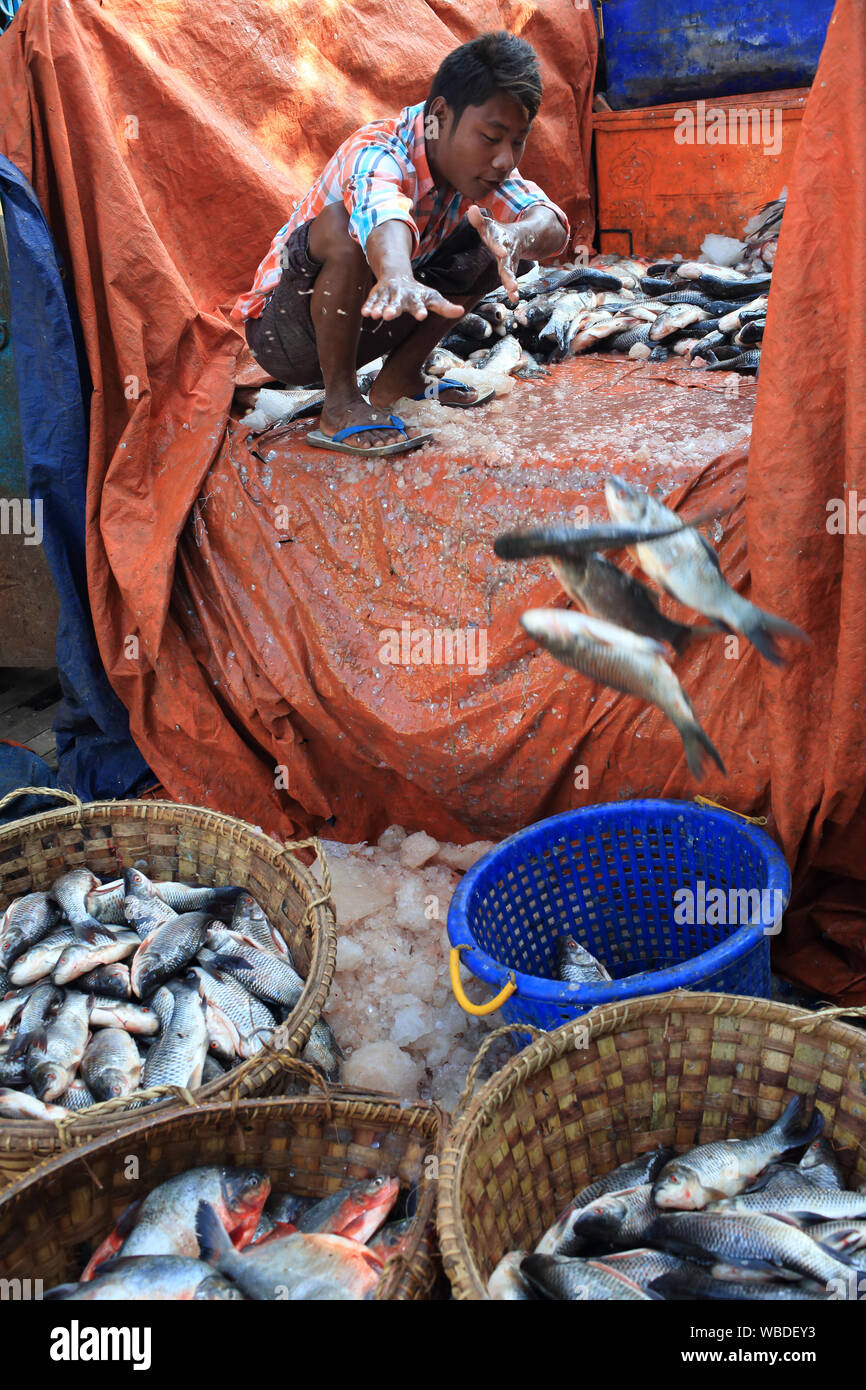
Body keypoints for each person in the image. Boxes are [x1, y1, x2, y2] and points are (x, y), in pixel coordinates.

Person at [232, 30, 570, 456]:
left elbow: (549, 220)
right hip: (287, 335)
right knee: (342, 224)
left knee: (493, 238)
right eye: (491, 137)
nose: (505, 159)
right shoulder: (379, 148)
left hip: (369, 315)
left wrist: (515, 235)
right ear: (441, 115)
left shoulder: (482, 170)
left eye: (517, 141)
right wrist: (396, 273)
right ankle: (339, 403)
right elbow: (380, 212)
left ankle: (399, 382)